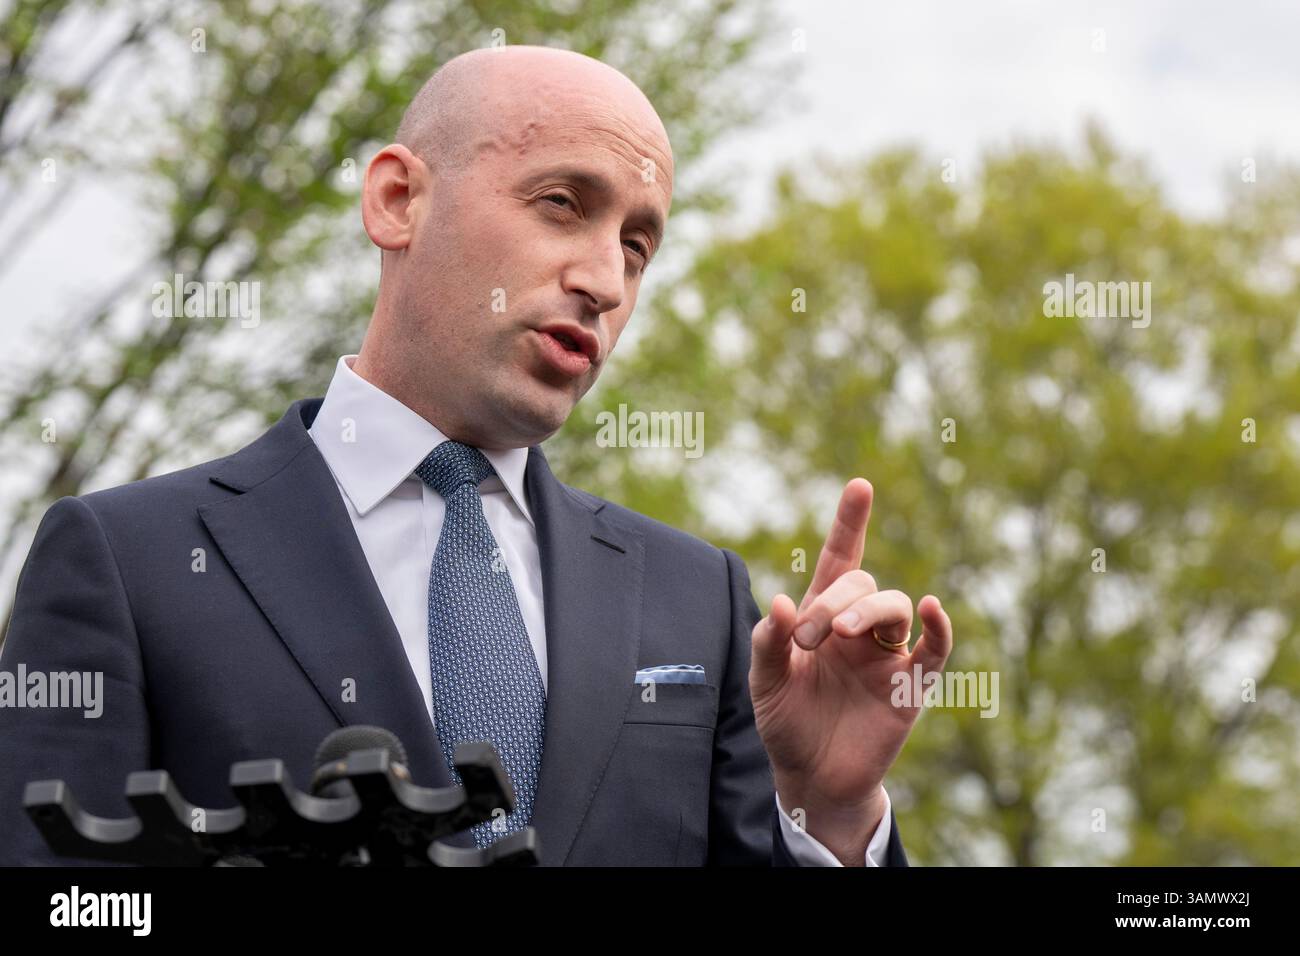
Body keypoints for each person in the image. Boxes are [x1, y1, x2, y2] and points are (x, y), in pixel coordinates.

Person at [0, 45, 953, 866]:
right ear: (397, 199)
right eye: (560, 203)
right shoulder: (128, 567)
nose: (604, 280)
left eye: (636, 244)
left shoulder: (697, 605)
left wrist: (824, 812)